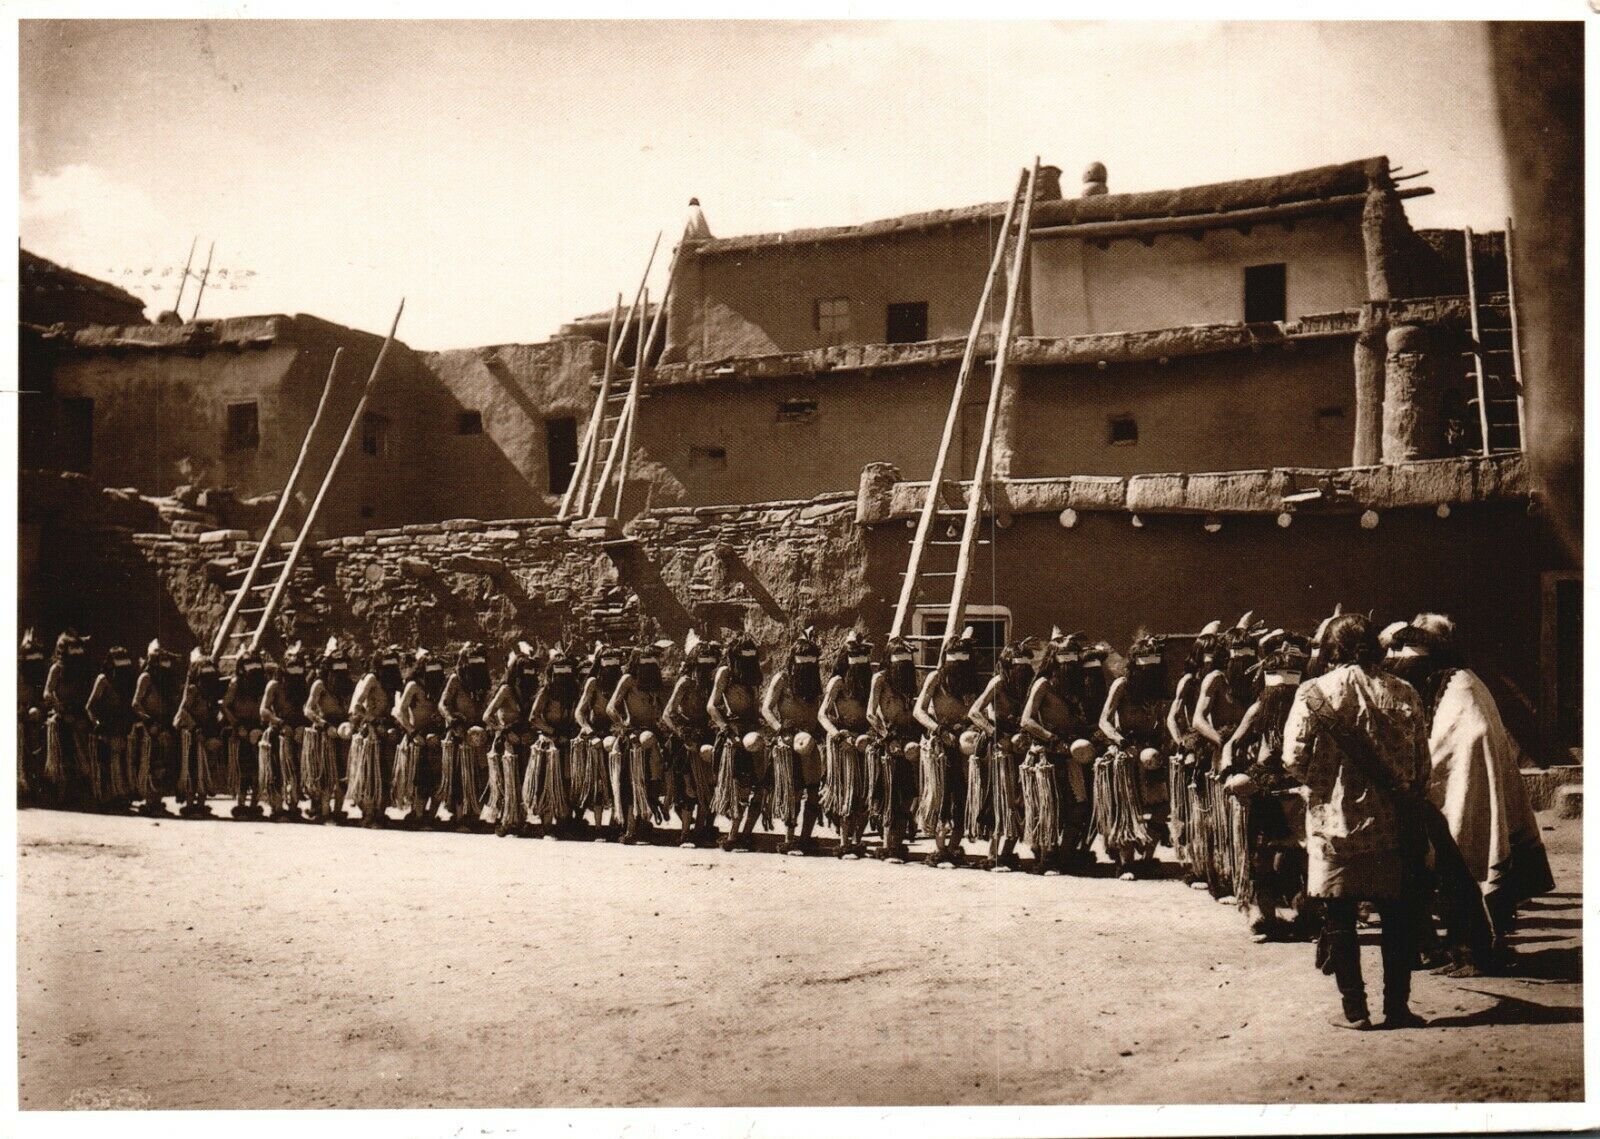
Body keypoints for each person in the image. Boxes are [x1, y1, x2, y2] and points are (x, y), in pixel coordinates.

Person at [1283, 612, 1430, 1031]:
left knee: (1340, 917)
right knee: (1396, 918)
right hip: (1392, 824)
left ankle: (1356, 1011)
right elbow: (1422, 765)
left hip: (1335, 824)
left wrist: (1324, 778)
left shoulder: (1314, 692)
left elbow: (1293, 759)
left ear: (1332, 649)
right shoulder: (1405, 690)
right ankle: (1397, 1009)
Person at [1391, 614, 1555, 973]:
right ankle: (1463, 950)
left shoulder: (1461, 686)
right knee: (1452, 873)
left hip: (1470, 790)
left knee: (1466, 867)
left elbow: (1464, 741)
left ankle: (1478, 953)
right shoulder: (1449, 682)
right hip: (1456, 788)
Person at [1220, 632, 1313, 940]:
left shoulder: (1310, 709)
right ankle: (1265, 916)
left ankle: (1309, 914)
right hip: (1265, 787)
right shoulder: (1260, 708)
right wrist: (1230, 773)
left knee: (1303, 853)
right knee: (1262, 855)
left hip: (1300, 788)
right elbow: (1233, 743)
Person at [1193, 619, 1261, 901]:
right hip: (1221, 755)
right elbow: (1198, 719)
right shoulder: (1216, 679)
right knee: (1220, 820)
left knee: (1248, 819)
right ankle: (1222, 881)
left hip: (1252, 754)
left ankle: (1247, 880)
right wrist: (1222, 743)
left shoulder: (1258, 678)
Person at [1094, 635, 1170, 880]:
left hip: (1150, 752)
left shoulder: (1156, 689)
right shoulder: (1122, 685)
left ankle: (1147, 856)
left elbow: (1160, 720)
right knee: (1126, 807)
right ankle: (1126, 863)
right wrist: (1120, 741)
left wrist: (1163, 744)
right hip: (1126, 752)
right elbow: (1104, 720)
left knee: (1162, 807)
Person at [1020, 632, 1097, 875]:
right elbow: (1026, 720)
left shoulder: (1078, 687)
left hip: (1072, 756)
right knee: (1048, 806)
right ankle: (1046, 857)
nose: (1069, 666)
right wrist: (1052, 739)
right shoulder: (1043, 684)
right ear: (1054, 660)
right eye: (1064, 660)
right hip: (1047, 755)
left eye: (1073, 660)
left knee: (1079, 806)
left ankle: (1065, 855)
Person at [913, 629, 983, 868]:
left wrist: (968, 726)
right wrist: (939, 730)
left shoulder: (971, 681)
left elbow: (977, 711)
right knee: (941, 795)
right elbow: (918, 711)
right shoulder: (935, 678)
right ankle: (940, 848)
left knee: (962, 795)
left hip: (964, 746)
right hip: (940, 748)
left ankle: (954, 846)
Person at [967, 639, 1037, 872]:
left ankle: (1006, 853)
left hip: (1021, 747)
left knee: (1021, 800)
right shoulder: (998, 682)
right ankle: (993, 855)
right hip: (998, 748)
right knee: (1001, 801)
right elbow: (974, 712)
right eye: (1018, 668)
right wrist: (995, 734)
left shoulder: (1030, 685)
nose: (1022, 672)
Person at [1167, 624, 1223, 888]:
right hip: (1197, 748)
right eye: (1208, 652)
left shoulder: (1223, 679)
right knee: (1197, 811)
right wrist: (1183, 743)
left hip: (1219, 746)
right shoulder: (1189, 681)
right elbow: (1173, 717)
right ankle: (1197, 868)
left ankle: (1219, 868)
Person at [763, 628, 827, 857]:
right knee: (792, 791)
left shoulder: (814, 682)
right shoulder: (782, 679)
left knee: (812, 792)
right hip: (787, 741)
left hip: (809, 743)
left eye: (811, 666)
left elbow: (818, 710)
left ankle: (806, 838)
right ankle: (789, 839)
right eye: (803, 666)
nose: (807, 670)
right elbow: (767, 708)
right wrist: (780, 730)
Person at [660, 631, 723, 848]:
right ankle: (685, 833)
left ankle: (703, 828)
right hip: (684, 740)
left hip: (706, 735)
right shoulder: (685, 683)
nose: (705, 671)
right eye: (702, 665)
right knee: (688, 786)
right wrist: (683, 735)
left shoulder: (714, 683)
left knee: (711, 782)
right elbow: (667, 714)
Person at [607, 641, 673, 845]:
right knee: (631, 779)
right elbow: (611, 707)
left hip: (654, 733)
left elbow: (663, 711)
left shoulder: (656, 683)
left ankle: (649, 817)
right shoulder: (628, 680)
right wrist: (624, 727)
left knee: (668, 769)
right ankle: (630, 827)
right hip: (633, 734)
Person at [709, 634, 769, 853]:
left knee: (761, 787)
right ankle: (733, 836)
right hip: (734, 734)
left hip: (753, 733)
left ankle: (746, 834)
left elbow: (756, 707)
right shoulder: (726, 673)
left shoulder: (753, 676)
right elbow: (712, 706)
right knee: (741, 788)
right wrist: (727, 731)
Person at [866, 635, 923, 864]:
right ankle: (888, 846)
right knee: (889, 796)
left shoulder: (911, 680)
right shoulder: (880, 679)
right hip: (888, 743)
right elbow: (871, 713)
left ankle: (898, 845)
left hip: (908, 741)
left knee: (908, 795)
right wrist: (886, 736)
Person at [819, 630, 874, 859]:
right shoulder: (838, 683)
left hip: (864, 740)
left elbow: (873, 712)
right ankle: (844, 842)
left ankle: (858, 841)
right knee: (847, 793)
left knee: (864, 793)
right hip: (842, 742)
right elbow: (822, 714)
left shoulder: (869, 682)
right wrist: (838, 735)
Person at [523, 644, 579, 838]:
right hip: (549, 744)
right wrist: (553, 733)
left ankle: (564, 822)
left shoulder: (573, 693)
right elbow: (533, 717)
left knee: (566, 782)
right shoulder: (546, 691)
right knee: (547, 783)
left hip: (567, 742)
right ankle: (546, 824)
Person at [483, 643, 538, 837]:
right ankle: (506, 819)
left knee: (524, 781)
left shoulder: (531, 690)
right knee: (507, 783)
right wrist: (505, 732)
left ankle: (520, 819)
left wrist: (531, 733)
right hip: (506, 743)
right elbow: (487, 716)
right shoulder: (506, 690)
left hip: (525, 743)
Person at [345, 645, 403, 828]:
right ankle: (368, 813)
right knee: (370, 773)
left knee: (386, 771)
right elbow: (357, 706)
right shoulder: (371, 679)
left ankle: (380, 811)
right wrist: (373, 722)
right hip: (370, 732)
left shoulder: (393, 682)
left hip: (387, 730)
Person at [437, 641, 491, 832]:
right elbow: (443, 704)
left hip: (478, 736)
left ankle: (475, 815)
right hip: (459, 735)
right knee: (460, 776)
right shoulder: (456, 679)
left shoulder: (484, 680)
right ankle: (460, 817)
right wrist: (453, 721)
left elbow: (487, 704)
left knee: (481, 775)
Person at [571, 642, 623, 839]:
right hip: (595, 734)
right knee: (598, 782)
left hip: (616, 734)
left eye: (614, 664)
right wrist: (587, 729)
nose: (610, 669)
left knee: (618, 778)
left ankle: (617, 822)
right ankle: (599, 827)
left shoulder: (622, 681)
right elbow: (580, 711)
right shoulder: (592, 683)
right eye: (607, 664)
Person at [392, 649, 449, 828]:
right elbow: (400, 711)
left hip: (438, 735)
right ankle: (418, 815)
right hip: (418, 737)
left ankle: (431, 816)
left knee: (441, 777)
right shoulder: (413, 686)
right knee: (421, 779)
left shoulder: (440, 685)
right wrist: (413, 733)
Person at [302, 638, 355, 824]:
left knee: (342, 772)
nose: (340, 674)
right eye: (336, 670)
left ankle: (338, 811)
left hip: (343, 731)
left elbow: (356, 708)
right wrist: (324, 725)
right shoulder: (320, 685)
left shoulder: (348, 685)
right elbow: (308, 709)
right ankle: (324, 811)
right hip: (324, 732)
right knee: (325, 773)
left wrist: (352, 722)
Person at [258, 642, 311, 822]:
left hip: (298, 732)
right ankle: (278, 808)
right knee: (277, 772)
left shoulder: (303, 685)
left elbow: (308, 710)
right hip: (279, 732)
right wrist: (279, 723)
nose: (296, 670)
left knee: (296, 772)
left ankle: (294, 807)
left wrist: (303, 726)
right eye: (292, 666)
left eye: (298, 667)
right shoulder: (274, 685)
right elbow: (264, 710)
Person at [84, 644, 138, 813]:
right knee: (109, 761)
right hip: (106, 728)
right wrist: (98, 725)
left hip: (122, 727)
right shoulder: (103, 680)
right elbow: (90, 707)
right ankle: (109, 798)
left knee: (124, 761)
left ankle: (122, 795)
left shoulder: (129, 680)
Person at [44, 632, 94, 809]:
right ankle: (62, 791)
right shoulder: (57, 669)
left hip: (78, 715)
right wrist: (62, 711)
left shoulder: (81, 671)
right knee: (62, 752)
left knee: (83, 749)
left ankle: (83, 790)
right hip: (60, 716)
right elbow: (48, 693)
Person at [174, 648, 225, 818]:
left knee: (206, 768)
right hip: (191, 733)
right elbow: (183, 712)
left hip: (207, 731)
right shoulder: (193, 689)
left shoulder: (213, 690)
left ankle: (201, 804)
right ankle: (189, 803)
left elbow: (215, 711)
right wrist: (195, 729)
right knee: (191, 767)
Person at [222, 649, 270, 820]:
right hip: (241, 729)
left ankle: (254, 804)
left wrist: (264, 726)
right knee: (244, 768)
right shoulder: (236, 683)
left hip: (259, 728)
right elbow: (226, 705)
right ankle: (241, 804)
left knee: (259, 768)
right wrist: (236, 725)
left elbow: (268, 705)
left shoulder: (263, 682)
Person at [18, 630, 50, 806]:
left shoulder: (40, 676)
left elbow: (44, 699)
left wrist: (37, 709)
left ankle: (36, 782)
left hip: (33, 722)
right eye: (29, 658)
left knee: (35, 737)